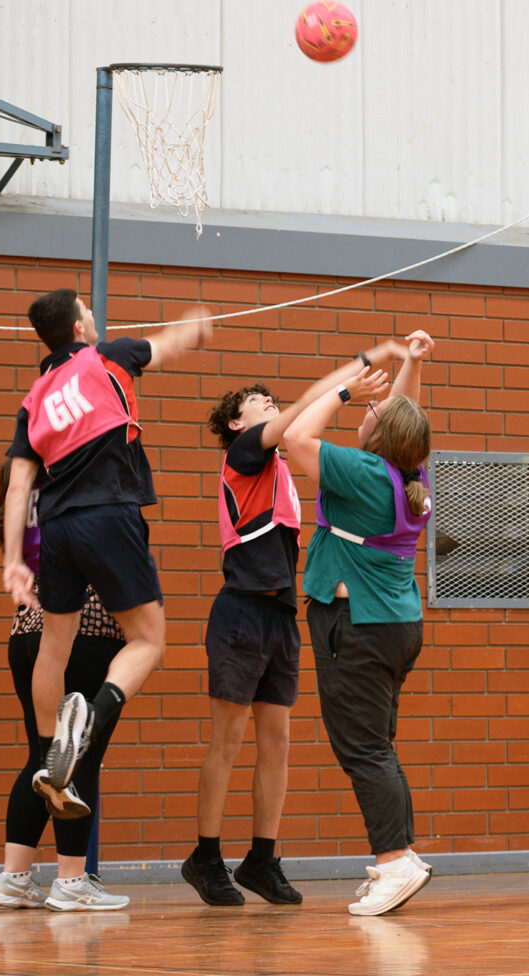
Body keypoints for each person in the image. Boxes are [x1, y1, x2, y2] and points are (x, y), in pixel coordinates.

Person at [181, 342, 405, 907]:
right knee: (227, 742)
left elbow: (308, 413)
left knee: (276, 744)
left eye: (270, 400)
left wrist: (370, 379)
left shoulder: (281, 464)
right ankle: (205, 856)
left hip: (280, 614)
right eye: (259, 401)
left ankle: (262, 858)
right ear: (237, 421)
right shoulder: (243, 452)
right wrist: (356, 373)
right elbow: (306, 407)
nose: (269, 404)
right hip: (240, 610)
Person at [3, 289, 211, 807]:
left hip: (55, 530)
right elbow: (169, 344)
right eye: (87, 309)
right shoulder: (107, 357)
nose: (94, 315)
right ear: (77, 327)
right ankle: (89, 718)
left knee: (54, 644)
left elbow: (18, 486)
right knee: (147, 641)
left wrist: (12, 561)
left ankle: (54, 756)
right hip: (109, 515)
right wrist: (197, 321)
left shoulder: (34, 400)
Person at [284, 330, 435, 917]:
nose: (368, 410)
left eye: (373, 412)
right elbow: (401, 418)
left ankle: (396, 861)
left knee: (364, 750)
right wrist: (412, 366)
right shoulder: (404, 473)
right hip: (394, 626)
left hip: (359, 626)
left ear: (378, 435)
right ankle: (400, 858)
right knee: (377, 747)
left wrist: (345, 389)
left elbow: (297, 436)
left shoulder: (365, 475)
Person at [0, 460, 130, 912]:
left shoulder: (20, 507)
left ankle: (14, 876)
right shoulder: (75, 498)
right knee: (77, 754)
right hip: (83, 631)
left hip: (26, 634)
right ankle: (71, 881)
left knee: (42, 755)